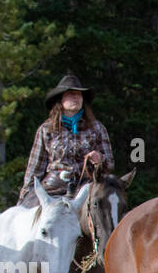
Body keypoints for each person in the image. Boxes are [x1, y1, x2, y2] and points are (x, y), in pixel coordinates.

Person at [18, 73, 114, 207]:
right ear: (60, 100)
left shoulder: (97, 128)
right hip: (53, 187)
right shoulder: (46, 129)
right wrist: (25, 197)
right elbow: (35, 169)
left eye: (79, 94)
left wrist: (100, 159)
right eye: (70, 94)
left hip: (87, 189)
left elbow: (109, 165)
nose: (76, 97)